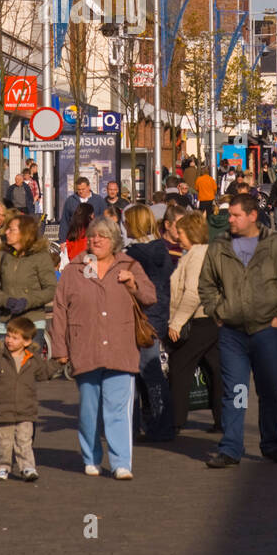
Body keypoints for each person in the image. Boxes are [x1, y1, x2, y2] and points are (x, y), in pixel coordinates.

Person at [197, 193, 277, 467]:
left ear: (252, 216)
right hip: (232, 333)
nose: (229, 220)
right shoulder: (219, 246)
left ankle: (271, 444)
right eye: (229, 215)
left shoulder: (275, 244)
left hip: (266, 332)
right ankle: (232, 448)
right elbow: (206, 285)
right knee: (236, 391)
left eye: (235, 215)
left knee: (269, 390)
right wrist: (218, 313)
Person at [50, 216, 156, 478]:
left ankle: (121, 463)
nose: (96, 240)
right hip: (85, 346)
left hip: (121, 347)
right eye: (93, 236)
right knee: (89, 409)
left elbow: (150, 297)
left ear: (114, 241)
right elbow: (60, 310)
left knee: (118, 409)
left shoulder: (130, 264)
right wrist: (60, 349)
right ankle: (91, 456)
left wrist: (133, 282)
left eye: (102, 236)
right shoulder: (74, 269)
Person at [0, 315, 60, 480]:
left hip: (26, 409)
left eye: (15, 338)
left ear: (27, 341)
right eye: (8, 336)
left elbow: (44, 372)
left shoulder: (32, 359)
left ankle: (28, 467)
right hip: (2, 408)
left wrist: (59, 363)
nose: (9, 340)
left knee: (24, 441)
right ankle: (3, 466)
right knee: (3, 442)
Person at [167, 211, 223, 432]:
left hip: (200, 319)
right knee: (216, 369)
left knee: (180, 366)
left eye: (180, 232)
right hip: (211, 319)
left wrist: (176, 322)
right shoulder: (198, 253)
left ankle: (175, 420)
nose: (177, 237)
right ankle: (222, 419)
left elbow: (194, 292)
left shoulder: (197, 255)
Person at [124, 204, 175, 442]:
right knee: (151, 373)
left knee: (142, 372)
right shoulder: (160, 249)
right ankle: (159, 422)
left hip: (142, 319)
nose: (124, 226)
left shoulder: (134, 254)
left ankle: (147, 424)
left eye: (127, 222)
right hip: (158, 317)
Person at [0, 214, 57, 325]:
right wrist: (5, 300)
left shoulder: (41, 257)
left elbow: (51, 289)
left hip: (32, 321)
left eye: (11, 230)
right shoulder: (2, 255)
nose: (6, 232)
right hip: (5, 320)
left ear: (24, 233)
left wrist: (27, 302)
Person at [58, 177, 105, 243]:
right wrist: (62, 240)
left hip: (94, 238)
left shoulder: (99, 200)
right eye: (78, 189)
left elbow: (104, 220)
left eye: (83, 189)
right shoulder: (70, 201)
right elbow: (65, 221)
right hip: (75, 239)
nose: (81, 191)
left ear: (89, 187)